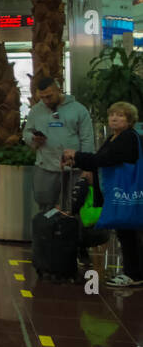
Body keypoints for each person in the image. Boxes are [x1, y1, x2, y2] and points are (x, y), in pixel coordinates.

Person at [64, 101, 143, 287]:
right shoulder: (114, 137)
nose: (114, 118)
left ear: (130, 120)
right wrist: (76, 161)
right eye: (112, 114)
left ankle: (135, 274)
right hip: (117, 192)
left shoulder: (128, 138)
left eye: (121, 115)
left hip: (125, 192)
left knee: (129, 233)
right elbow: (98, 160)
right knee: (126, 232)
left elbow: (105, 159)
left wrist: (77, 155)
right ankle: (133, 272)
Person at [23, 76, 94, 211]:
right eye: (42, 97)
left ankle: (71, 230)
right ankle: (47, 230)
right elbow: (26, 133)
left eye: (49, 96)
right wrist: (33, 139)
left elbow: (87, 138)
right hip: (45, 166)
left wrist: (87, 167)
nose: (46, 101)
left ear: (59, 90)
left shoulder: (79, 110)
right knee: (45, 205)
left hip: (74, 168)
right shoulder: (36, 110)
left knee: (74, 206)